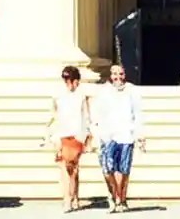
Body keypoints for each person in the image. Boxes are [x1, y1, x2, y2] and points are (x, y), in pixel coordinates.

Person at [93, 64, 144, 213]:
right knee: (108, 169)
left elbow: (138, 113)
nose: (118, 77)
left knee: (123, 170)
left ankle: (121, 199)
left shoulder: (132, 90)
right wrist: (96, 132)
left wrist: (139, 134)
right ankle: (114, 195)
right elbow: (96, 114)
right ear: (110, 75)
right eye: (115, 74)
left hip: (126, 135)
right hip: (108, 135)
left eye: (121, 74)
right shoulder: (104, 92)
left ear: (124, 75)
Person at [43, 66, 92, 213]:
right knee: (64, 168)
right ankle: (67, 199)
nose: (74, 84)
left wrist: (87, 136)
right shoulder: (57, 94)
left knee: (74, 169)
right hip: (62, 134)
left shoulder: (82, 95)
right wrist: (51, 135)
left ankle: (74, 197)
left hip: (77, 135)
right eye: (72, 81)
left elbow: (86, 116)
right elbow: (53, 115)